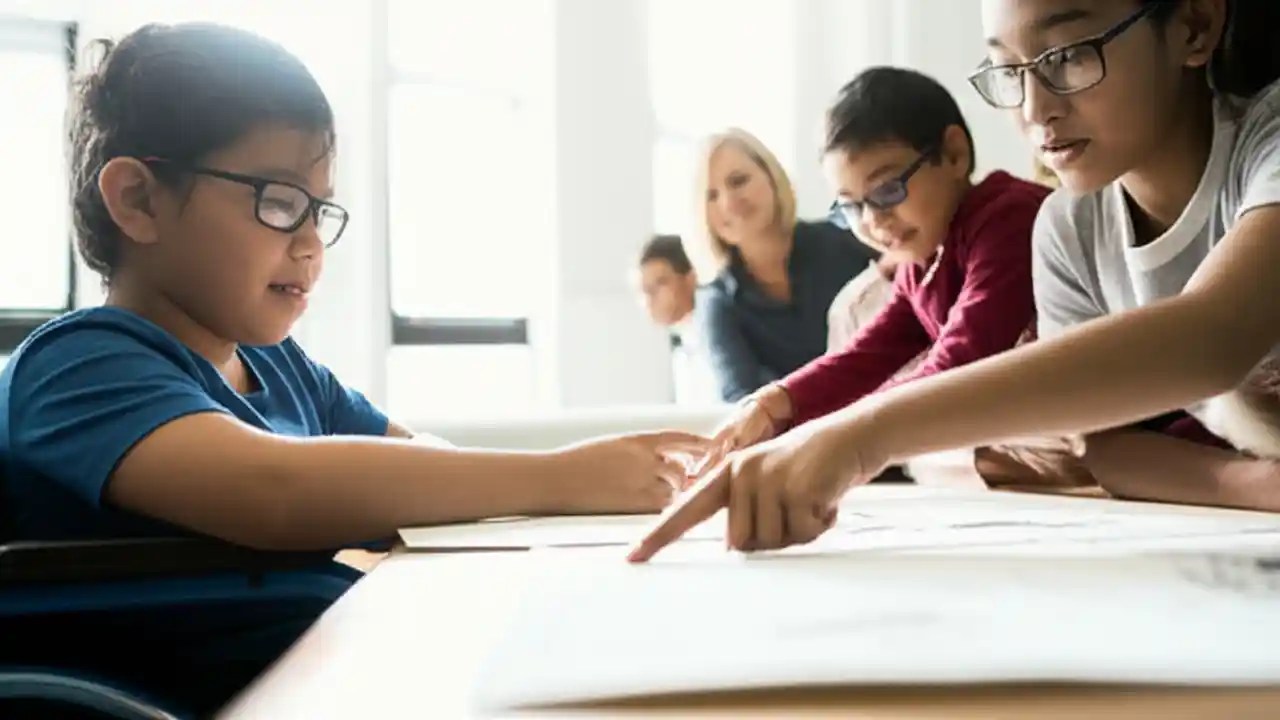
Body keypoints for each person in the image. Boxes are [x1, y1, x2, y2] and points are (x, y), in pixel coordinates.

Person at [0, 23, 704, 712]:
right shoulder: (74, 367)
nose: (312, 243)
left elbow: (418, 467)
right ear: (138, 200)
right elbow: (274, 491)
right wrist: (563, 477)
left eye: (320, 210)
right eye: (278, 202)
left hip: (326, 676)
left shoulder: (283, 368)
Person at [630, 0, 1280, 562]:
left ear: (1194, 26)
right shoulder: (1068, 228)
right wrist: (1255, 487)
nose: (1035, 109)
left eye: (1067, 56)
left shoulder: (1264, 147)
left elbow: (1213, 337)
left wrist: (857, 437)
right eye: (1009, 71)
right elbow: (1105, 444)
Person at [695, 67, 1050, 475]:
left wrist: (837, 434)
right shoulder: (920, 262)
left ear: (954, 155)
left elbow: (963, 357)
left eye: (887, 190)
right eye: (851, 206)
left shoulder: (1007, 218)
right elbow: (865, 357)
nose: (873, 221)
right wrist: (773, 401)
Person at [689, 127, 876, 402]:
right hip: (800, 427)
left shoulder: (848, 241)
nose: (728, 202)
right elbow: (741, 399)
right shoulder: (717, 303)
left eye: (739, 181)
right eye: (711, 195)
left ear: (772, 177)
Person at [634, 234, 720, 405]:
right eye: (643, 290)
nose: (649, 299)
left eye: (659, 284)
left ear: (690, 279)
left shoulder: (719, 334)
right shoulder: (680, 349)